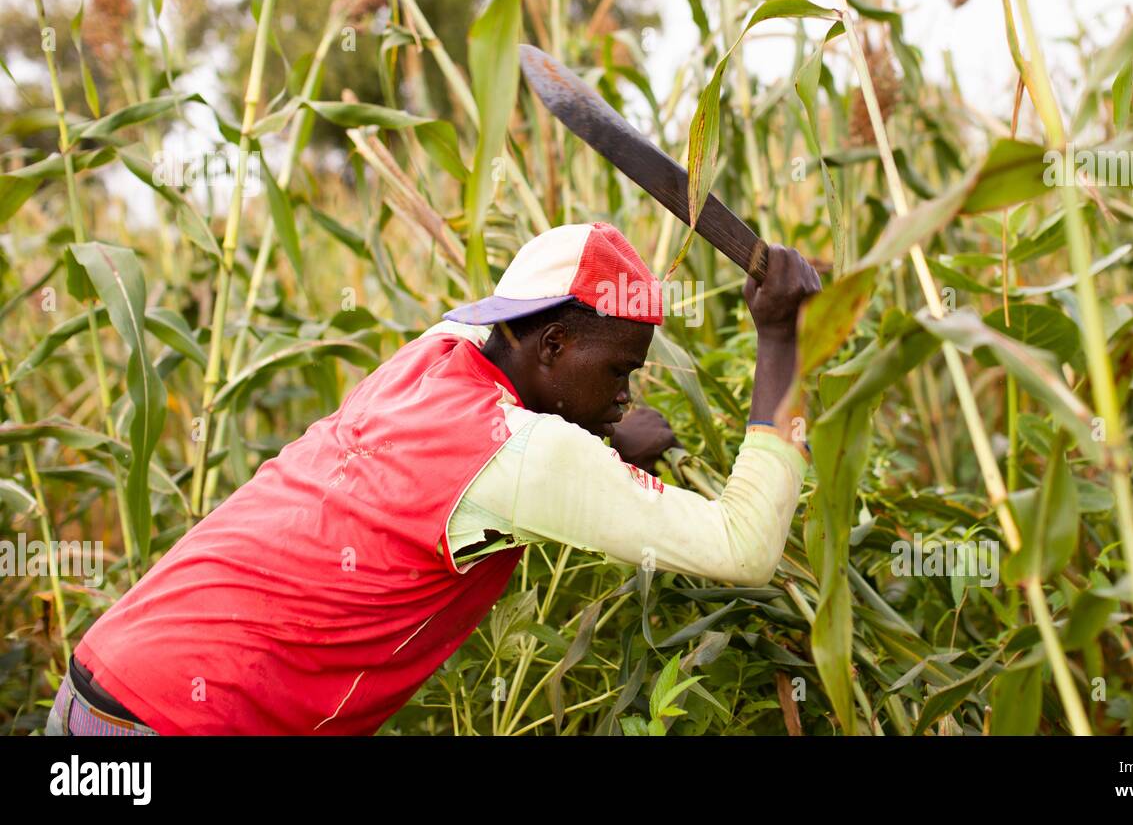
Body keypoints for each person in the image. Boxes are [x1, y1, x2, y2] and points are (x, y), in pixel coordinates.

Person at [45, 221, 821, 735]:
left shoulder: (429, 357)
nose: (627, 396)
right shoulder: (526, 455)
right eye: (619, 371)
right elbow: (743, 546)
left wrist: (602, 437)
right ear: (550, 343)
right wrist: (782, 338)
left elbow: (477, 453)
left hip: (96, 684)